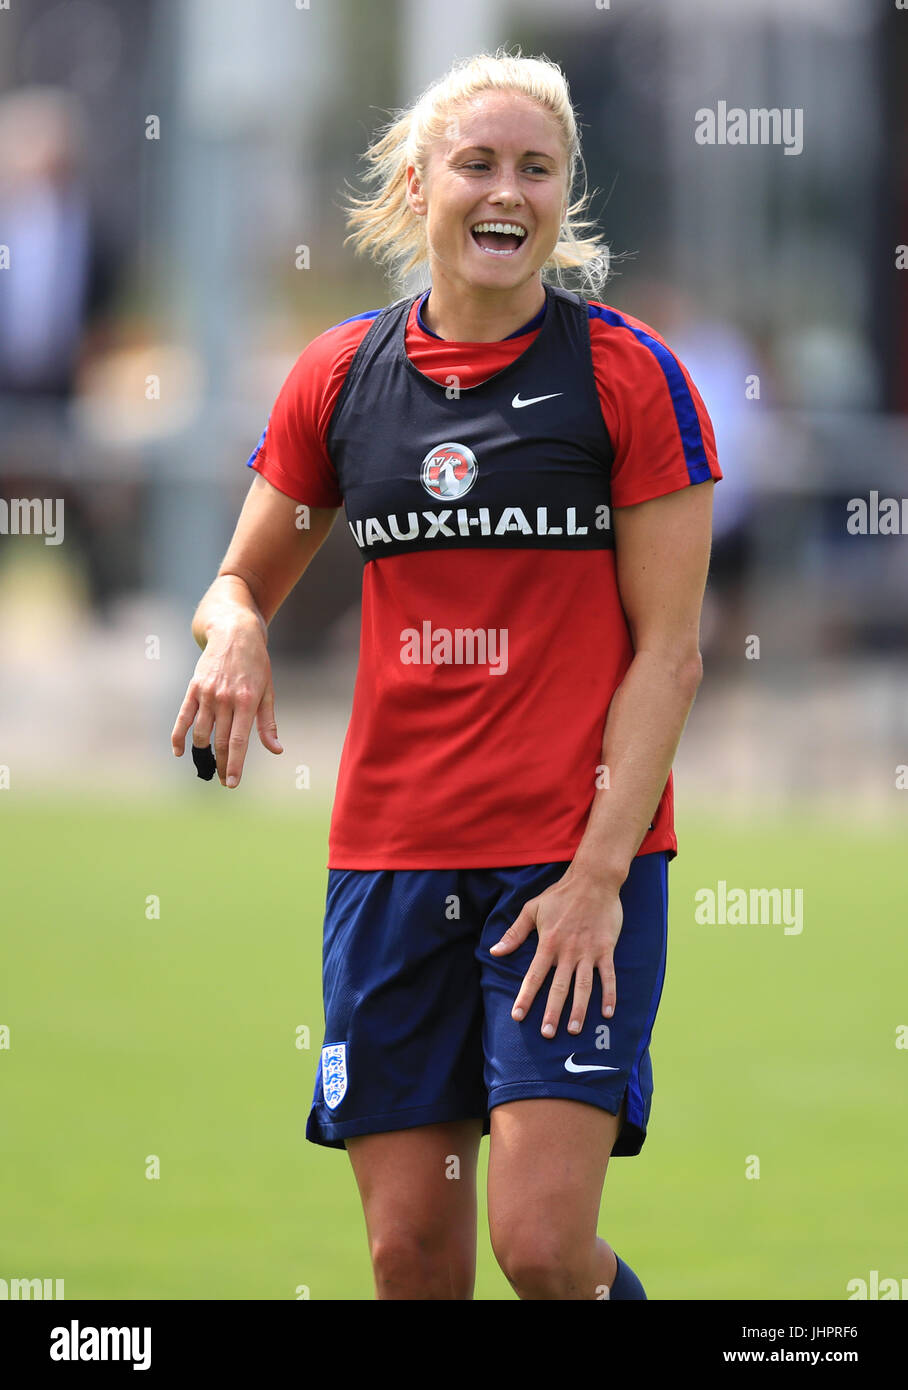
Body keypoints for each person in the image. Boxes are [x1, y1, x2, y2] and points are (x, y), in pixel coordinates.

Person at [171, 48, 722, 1301]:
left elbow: (670, 655)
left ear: (563, 193)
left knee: (537, 1246)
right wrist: (237, 627)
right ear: (416, 184)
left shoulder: (626, 375)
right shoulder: (339, 376)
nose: (506, 191)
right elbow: (232, 584)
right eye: (477, 163)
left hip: (567, 868)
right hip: (391, 859)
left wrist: (595, 879)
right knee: (410, 1260)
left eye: (537, 168)